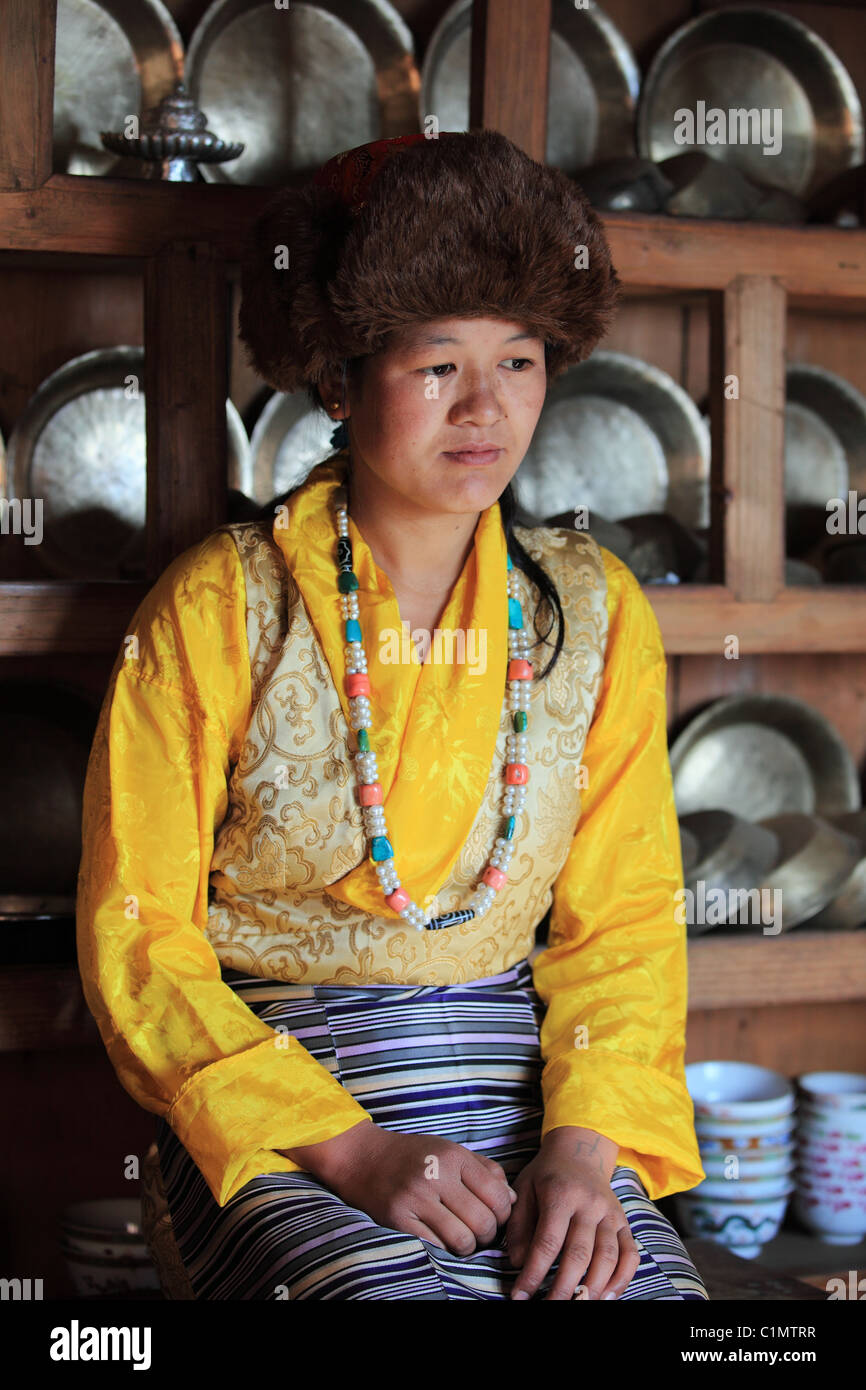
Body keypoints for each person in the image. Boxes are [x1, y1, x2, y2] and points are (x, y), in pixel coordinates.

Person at [76, 128, 708, 1301]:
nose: (485, 408)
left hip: (533, 1090)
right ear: (337, 376)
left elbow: (621, 922)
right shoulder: (219, 606)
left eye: (517, 362)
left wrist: (583, 1149)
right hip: (285, 1100)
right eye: (435, 366)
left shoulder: (593, 607)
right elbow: (138, 936)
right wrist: (354, 1148)